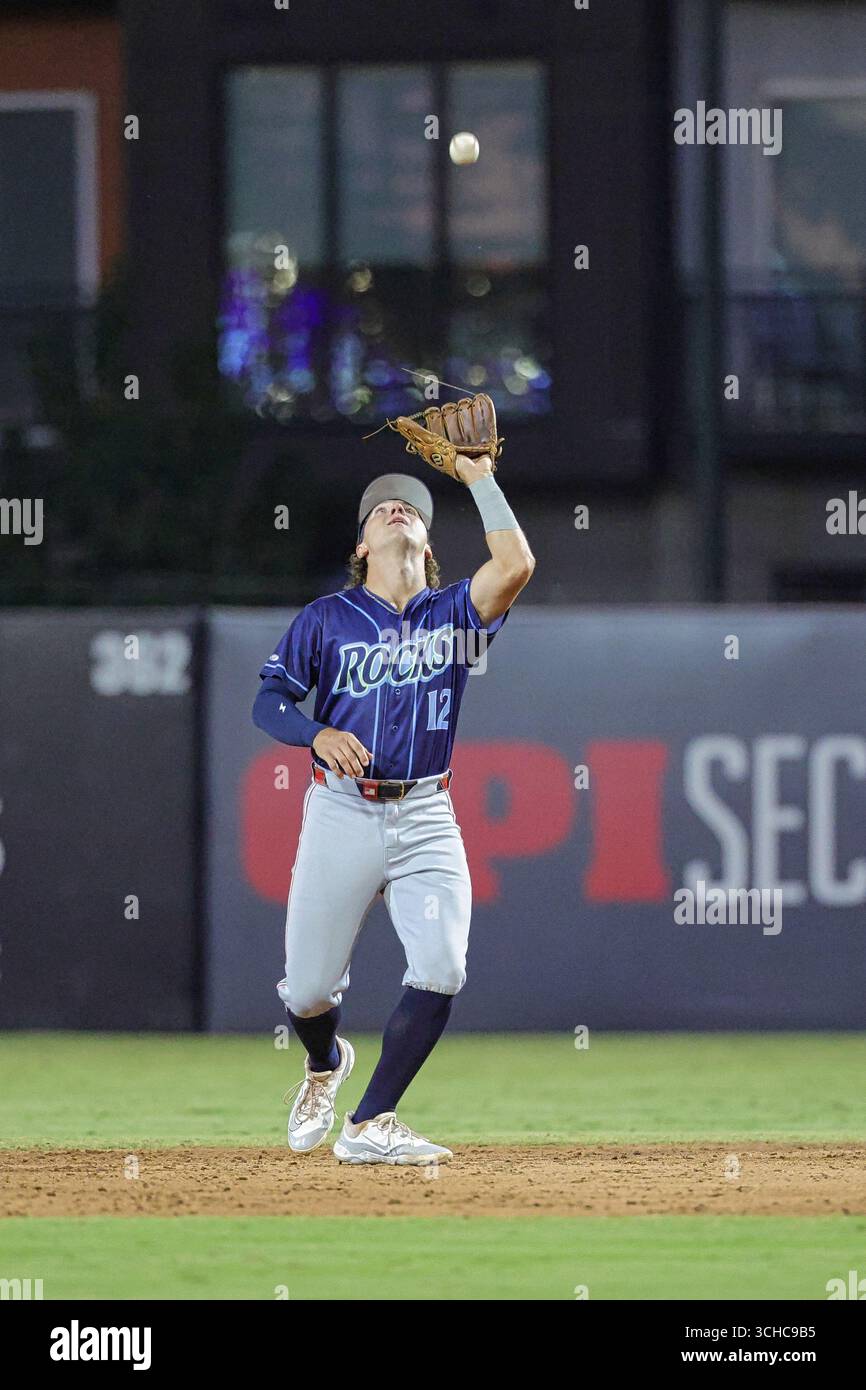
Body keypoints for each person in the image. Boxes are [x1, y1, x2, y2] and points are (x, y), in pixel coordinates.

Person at [252, 452, 534, 1164]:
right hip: (342, 810)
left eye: (409, 507)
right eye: (381, 508)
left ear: (428, 545)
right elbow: (269, 701)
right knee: (309, 990)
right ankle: (324, 1066)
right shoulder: (327, 618)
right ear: (360, 546)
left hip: (426, 813)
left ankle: (370, 1123)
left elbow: (517, 563)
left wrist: (477, 478)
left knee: (442, 967)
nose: (396, 510)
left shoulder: (457, 614)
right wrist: (315, 731)